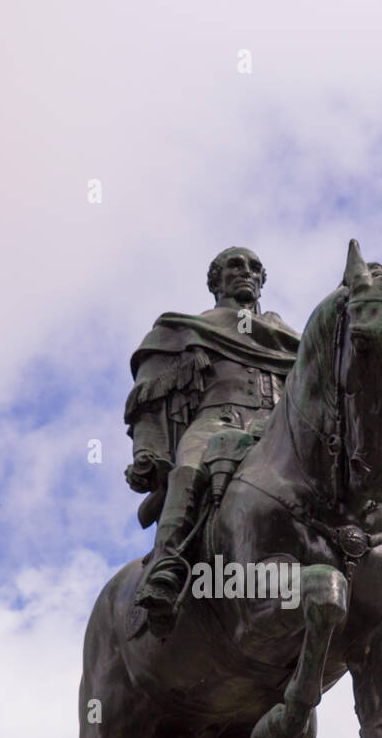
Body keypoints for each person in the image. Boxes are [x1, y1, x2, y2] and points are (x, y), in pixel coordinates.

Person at [124, 246, 300, 630]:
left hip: (279, 429)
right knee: (188, 470)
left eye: (254, 268)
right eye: (235, 265)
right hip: (217, 422)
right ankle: (167, 569)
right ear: (215, 280)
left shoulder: (290, 339)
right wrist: (147, 452)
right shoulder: (185, 331)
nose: (246, 272)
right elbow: (148, 396)